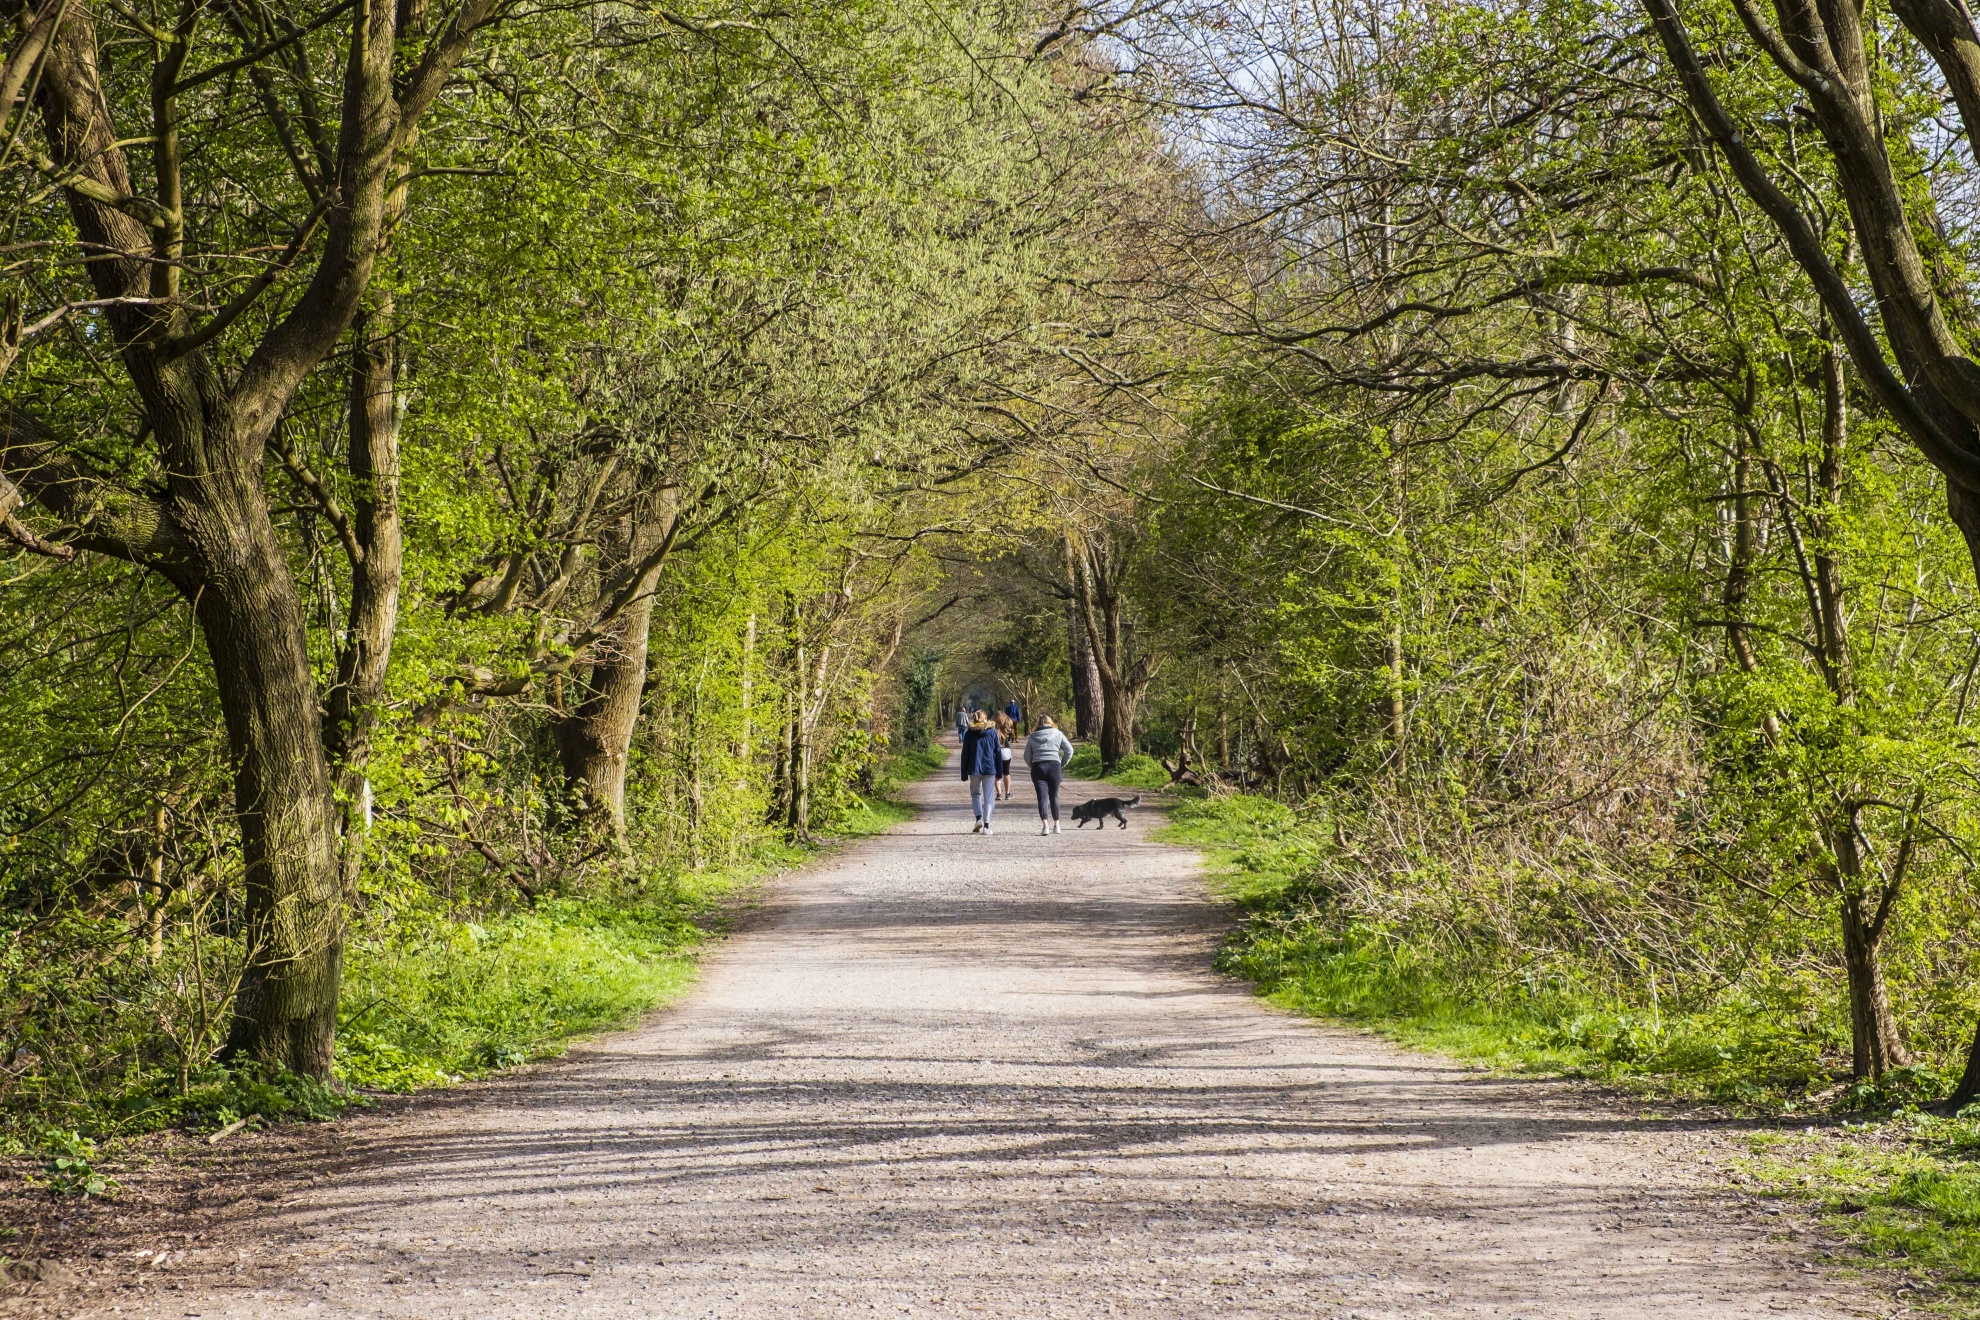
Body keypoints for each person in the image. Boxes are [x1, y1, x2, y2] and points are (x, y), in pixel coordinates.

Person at [1024, 715, 1076, 835]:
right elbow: (1069, 750)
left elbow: (1026, 756)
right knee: (1054, 796)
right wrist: (1062, 763)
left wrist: (1033, 765)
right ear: (1051, 722)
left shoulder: (1032, 737)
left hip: (1038, 767)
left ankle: (1045, 826)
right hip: (1054, 766)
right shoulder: (1058, 734)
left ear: (1038, 724)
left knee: (1042, 797)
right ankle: (1057, 825)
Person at [960, 710, 1002, 833]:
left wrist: (963, 773)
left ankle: (978, 818)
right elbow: (998, 752)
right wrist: (999, 772)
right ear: (985, 719)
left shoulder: (968, 734)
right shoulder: (992, 733)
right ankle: (987, 826)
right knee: (988, 796)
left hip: (974, 768)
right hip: (990, 768)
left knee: (975, 794)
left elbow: (965, 754)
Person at [993, 710, 1016, 800]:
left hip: (996, 751)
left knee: (997, 774)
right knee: (1006, 772)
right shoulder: (1007, 727)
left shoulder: (992, 729)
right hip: (1006, 751)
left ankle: (999, 794)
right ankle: (1007, 793)